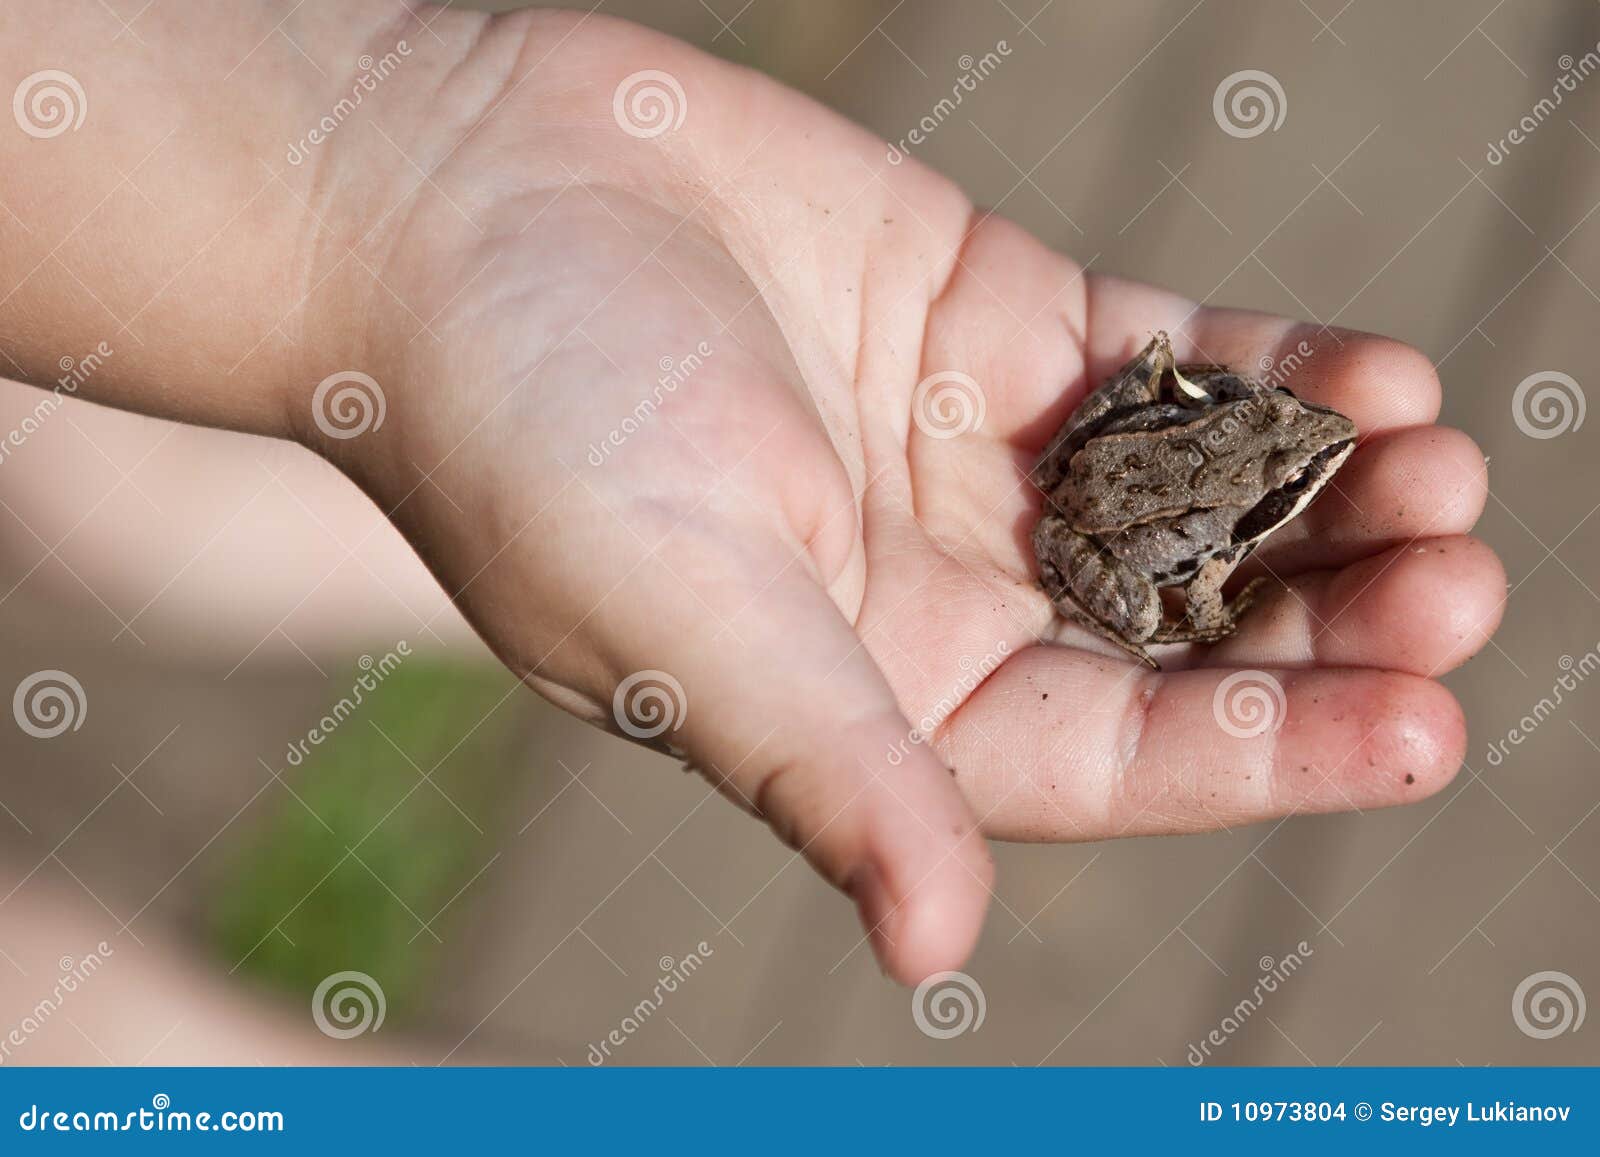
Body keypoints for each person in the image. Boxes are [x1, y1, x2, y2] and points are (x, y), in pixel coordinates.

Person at [2, 1, 1503, 988]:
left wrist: (411, 185)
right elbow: (1176, 526)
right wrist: (1212, 596)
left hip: (1125, 459)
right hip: (1111, 513)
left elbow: (1183, 399)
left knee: (71, 476)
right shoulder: (1254, 494)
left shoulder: (1260, 431)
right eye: (1308, 463)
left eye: (1302, 452)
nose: (1317, 455)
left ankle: (453, 557)